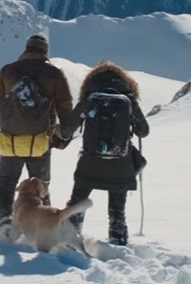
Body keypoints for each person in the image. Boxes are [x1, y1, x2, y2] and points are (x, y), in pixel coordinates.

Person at [0, 33, 75, 238]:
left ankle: (5, 222)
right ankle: (45, 223)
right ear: (45, 51)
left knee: (7, 182)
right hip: (40, 140)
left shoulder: (9, 70)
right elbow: (65, 106)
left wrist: (12, 113)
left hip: (10, 140)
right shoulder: (54, 73)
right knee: (41, 185)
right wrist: (63, 132)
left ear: (26, 49)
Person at [60, 61, 150, 246]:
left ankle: (69, 242)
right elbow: (144, 131)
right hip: (121, 165)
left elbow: (67, 130)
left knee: (77, 204)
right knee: (117, 211)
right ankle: (118, 244)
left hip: (89, 164)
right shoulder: (128, 99)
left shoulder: (89, 98)